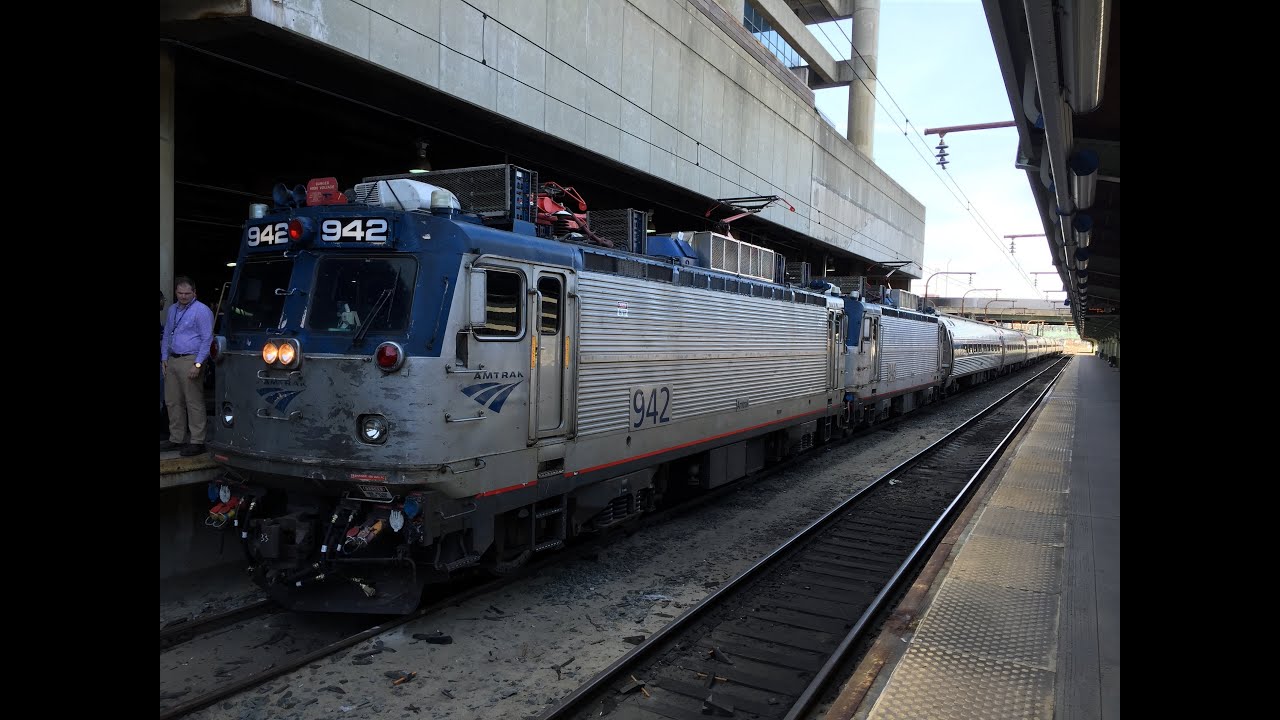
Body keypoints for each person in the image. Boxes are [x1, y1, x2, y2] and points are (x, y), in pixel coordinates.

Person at [161, 277, 215, 456]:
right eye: (180, 293)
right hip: (173, 358)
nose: (183, 296)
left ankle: (197, 441)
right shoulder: (172, 310)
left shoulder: (202, 311)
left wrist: (198, 364)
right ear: (175, 292)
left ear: (194, 292)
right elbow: (167, 333)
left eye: (187, 293)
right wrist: (164, 358)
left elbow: (207, 338)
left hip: (191, 359)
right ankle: (177, 438)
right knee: (172, 401)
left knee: (193, 401)